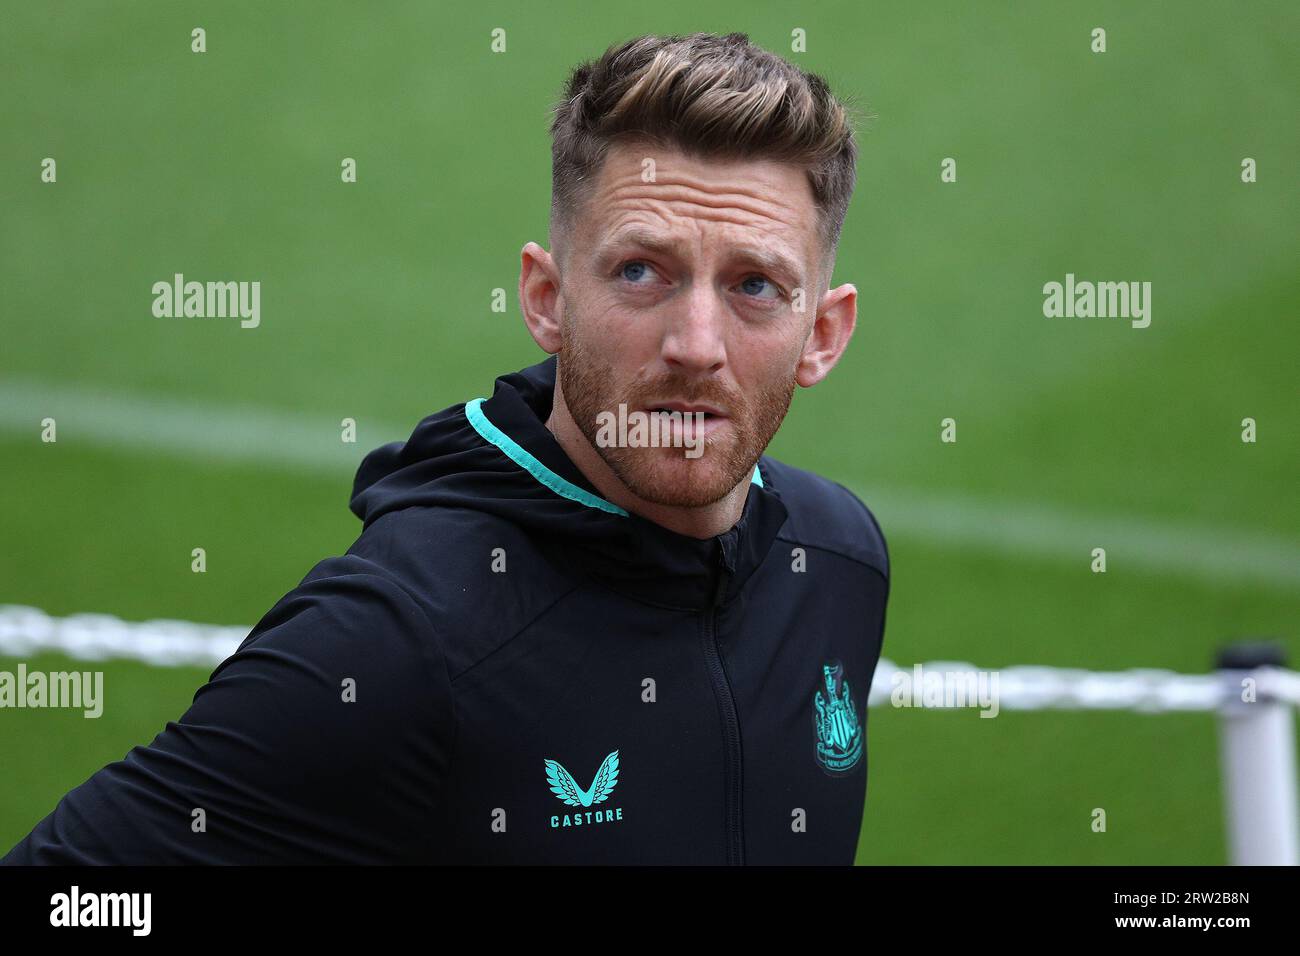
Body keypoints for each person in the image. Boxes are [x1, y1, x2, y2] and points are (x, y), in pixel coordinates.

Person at [3, 31, 888, 865]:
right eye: (640, 271)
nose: (696, 342)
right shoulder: (398, 640)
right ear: (546, 297)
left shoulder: (837, 560)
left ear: (824, 333)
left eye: (755, 286)